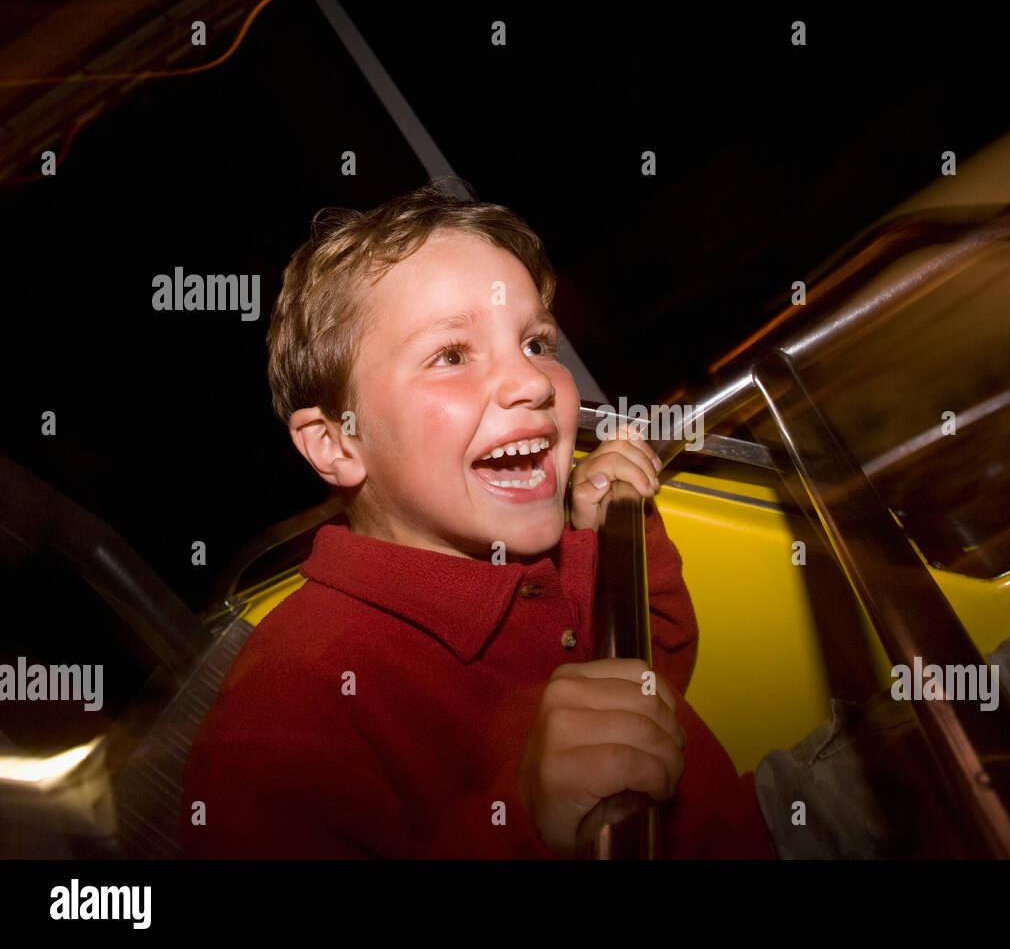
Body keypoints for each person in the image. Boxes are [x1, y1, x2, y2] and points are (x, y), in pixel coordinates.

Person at [181, 178, 773, 859]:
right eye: (452, 356)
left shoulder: (531, 550)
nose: (530, 382)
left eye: (536, 344)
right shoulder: (285, 716)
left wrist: (610, 537)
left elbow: (659, 684)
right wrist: (526, 821)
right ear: (337, 443)